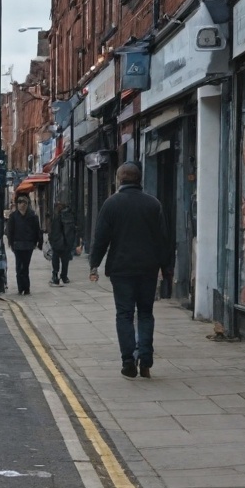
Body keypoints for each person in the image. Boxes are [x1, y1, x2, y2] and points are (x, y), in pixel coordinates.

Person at [90, 162, 175, 379]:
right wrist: (167, 268)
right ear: (139, 179)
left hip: (121, 270)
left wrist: (94, 264)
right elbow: (163, 240)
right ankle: (145, 357)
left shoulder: (111, 204)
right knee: (146, 313)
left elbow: (100, 238)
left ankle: (128, 360)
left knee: (125, 314)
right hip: (148, 269)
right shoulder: (153, 204)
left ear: (119, 180)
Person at [6, 194, 43, 295]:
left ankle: (26, 288)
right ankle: (20, 288)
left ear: (27, 204)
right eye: (19, 203)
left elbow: (37, 230)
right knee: (19, 267)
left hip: (28, 245)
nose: (21, 205)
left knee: (25, 267)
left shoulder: (32, 216)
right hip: (17, 245)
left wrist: (37, 242)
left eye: (24, 203)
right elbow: (10, 231)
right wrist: (11, 243)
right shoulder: (13, 216)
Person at [48, 200, 79, 286]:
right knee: (65, 261)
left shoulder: (57, 217)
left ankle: (55, 275)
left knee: (55, 259)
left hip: (58, 242)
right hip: (67, 242)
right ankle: (64, 276)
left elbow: (54, 231)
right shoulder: (69, 216)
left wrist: (51, 240)